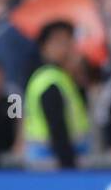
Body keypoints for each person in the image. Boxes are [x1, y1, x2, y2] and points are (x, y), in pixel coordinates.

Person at [23, 20, 90, 168]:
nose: (67, 48)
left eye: (69, 41)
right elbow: (58, 129)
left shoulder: (63, 77)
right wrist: (69, 164)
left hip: (54, 158)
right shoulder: (49, 80)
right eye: (60, 42)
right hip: (50, 161)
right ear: (45, 47)